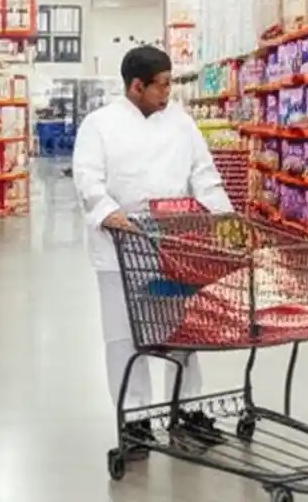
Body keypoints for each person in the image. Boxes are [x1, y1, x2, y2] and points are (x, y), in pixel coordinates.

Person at [72, 45, 234, 455]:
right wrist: (109, 213)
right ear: (136, 86)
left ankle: (188, 410)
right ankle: (136, 420)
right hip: (122, 249)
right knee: (124, 338)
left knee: (184, 332)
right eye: (162, 85)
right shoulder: (100, 125)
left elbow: (204, 175)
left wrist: (224, 217)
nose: (169, 92)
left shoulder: (181, 123)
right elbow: (88, 180)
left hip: (176, 246)